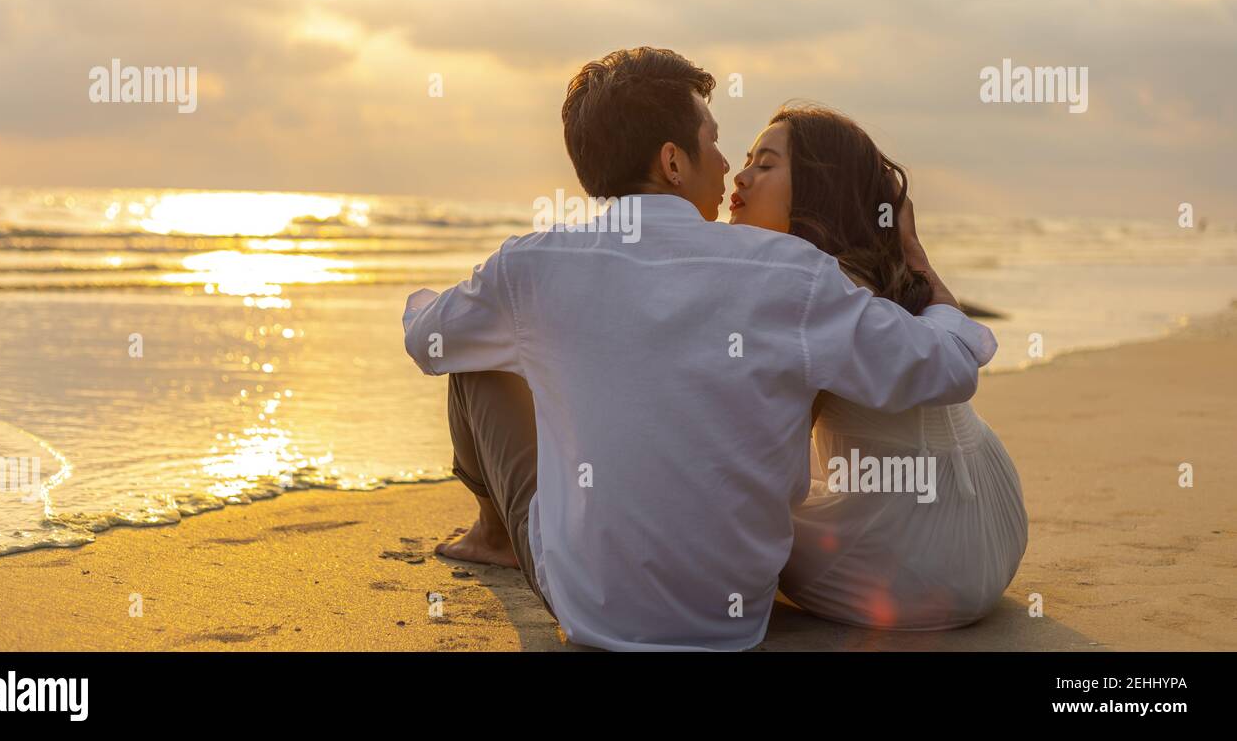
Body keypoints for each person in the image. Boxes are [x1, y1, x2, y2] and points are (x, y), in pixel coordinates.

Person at [402, 47, 997, 651]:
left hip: (592, 616)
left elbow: (426, 344)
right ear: (673, 162)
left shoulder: (530, 267)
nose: (725, 166)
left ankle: (496, 536)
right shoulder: (794, 273)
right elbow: (949, 366)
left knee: (471, 355)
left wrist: (440, 309)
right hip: (732, 619)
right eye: (714, 143)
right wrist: (934, 289)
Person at [728, 103, 1027, 629]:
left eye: (766, 164)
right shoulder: (880, 276)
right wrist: (915, 251)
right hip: (995, 528)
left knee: (723, 520)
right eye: (749, 159)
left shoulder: (814, 291)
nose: (741, 173)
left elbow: (766, 459)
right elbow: (949, 338)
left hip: (912, 563)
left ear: (818, 189)